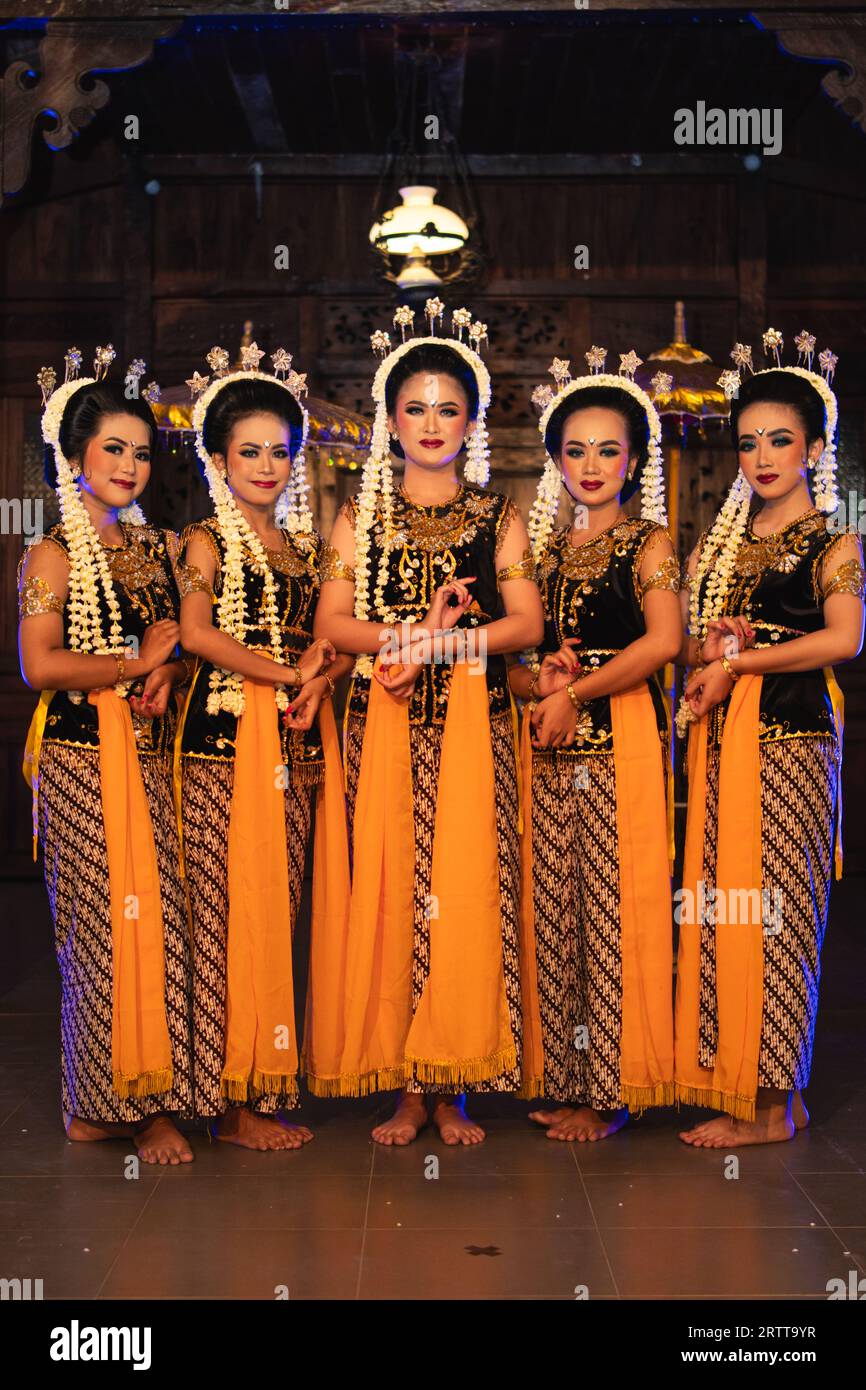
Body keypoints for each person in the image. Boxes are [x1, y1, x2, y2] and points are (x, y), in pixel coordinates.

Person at [307, 300, 543, 1145]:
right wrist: (412, 638)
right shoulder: (358, 517)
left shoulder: (497, 515)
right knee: (397, 895)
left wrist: (437, 646)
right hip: (387, 727)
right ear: (391, 420)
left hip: (475, 730)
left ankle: (456, 1083)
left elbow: (526, 625)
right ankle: (407, 1082)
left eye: (449, 408)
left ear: (471, 420)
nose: (432, 423)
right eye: (416, 408)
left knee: (468, 890)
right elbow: (332, 626)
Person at [675, 331, 865, 1146]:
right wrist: (717, 642)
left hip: (790, 740)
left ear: (816, 447)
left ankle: (776, 1104)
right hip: (724, 745)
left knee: (779, 916)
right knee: (729, 914)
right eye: (748, 441)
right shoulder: (728, 547)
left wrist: (742, 657)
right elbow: (688, 646)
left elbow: (843, 639)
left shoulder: (835, 542)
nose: (761, 455)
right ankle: (742, 1084)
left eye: (780, 439)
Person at [19, 349, 195, 1165]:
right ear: (74, 456)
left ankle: (151, 1096)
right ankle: (98, 1106)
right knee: (99, 932)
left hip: (157, 756)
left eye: (140, 451)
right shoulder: (51, 552)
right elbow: (42, 665)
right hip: (81, 760)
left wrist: (163, 668)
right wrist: (133, 664)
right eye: (112, 449)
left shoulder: (158, 548)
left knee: (158, 925)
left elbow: (179, 646)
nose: (129, 465)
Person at [509, 349, 680, 1141]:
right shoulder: (545, 556)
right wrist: (541, 683)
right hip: (546, 750)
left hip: (623, 744)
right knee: (557, 913)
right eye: (575, 450)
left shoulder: (649, 543)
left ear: (634, 460)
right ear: (554, 461)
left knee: (615, 908)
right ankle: (572, 1078)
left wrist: (576, 691)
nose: (591, 465)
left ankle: (613, 1088)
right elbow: (513, 662)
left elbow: (664, 643)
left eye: (608, 450)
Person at [176, 344, 342, 1152]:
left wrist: (320, 672)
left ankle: (259, 1082)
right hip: (218, 748)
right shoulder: (203, 541)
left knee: (278, 916)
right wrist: (285, 674)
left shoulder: (305, 550)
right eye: (250, 451)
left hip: (298, 752)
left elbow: (328, 643)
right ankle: (224, 1096)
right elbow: (199, 636)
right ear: (216, 458)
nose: (268, 466)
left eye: (281, 452)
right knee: (224, 919)